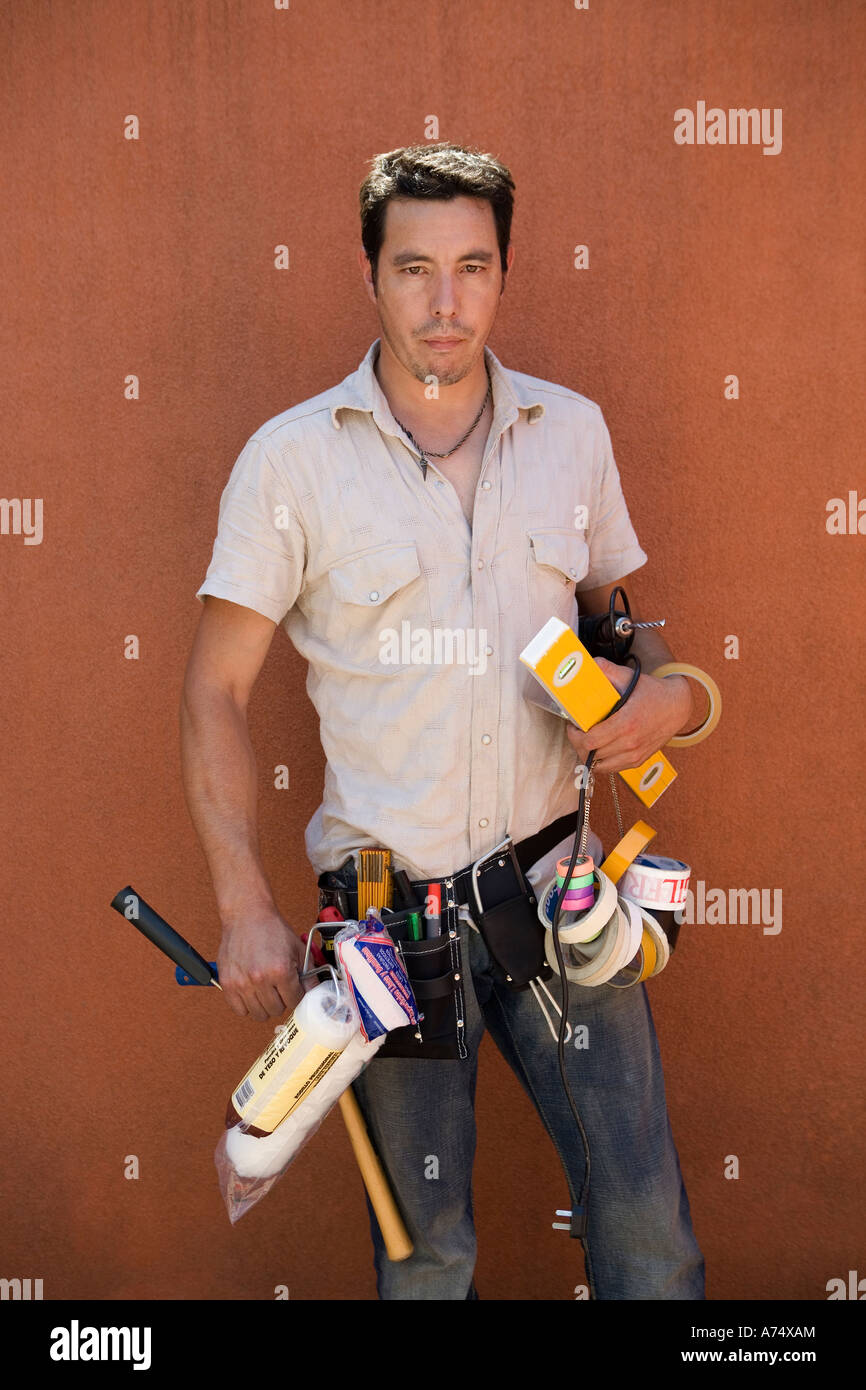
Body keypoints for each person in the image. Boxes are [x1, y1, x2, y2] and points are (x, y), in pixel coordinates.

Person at [181, 142, 709, 1300]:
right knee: (427, 1265)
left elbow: (624, 630)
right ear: (368, 272)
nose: (444, 300)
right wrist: (242, 905)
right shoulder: (291, 462)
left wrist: (666, 700)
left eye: (472, 266)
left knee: (645, 1228)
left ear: (504, 272)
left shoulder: (570, 433)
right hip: (387, 940)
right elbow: (215, 690)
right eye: (414, 267)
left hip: (564, 905)